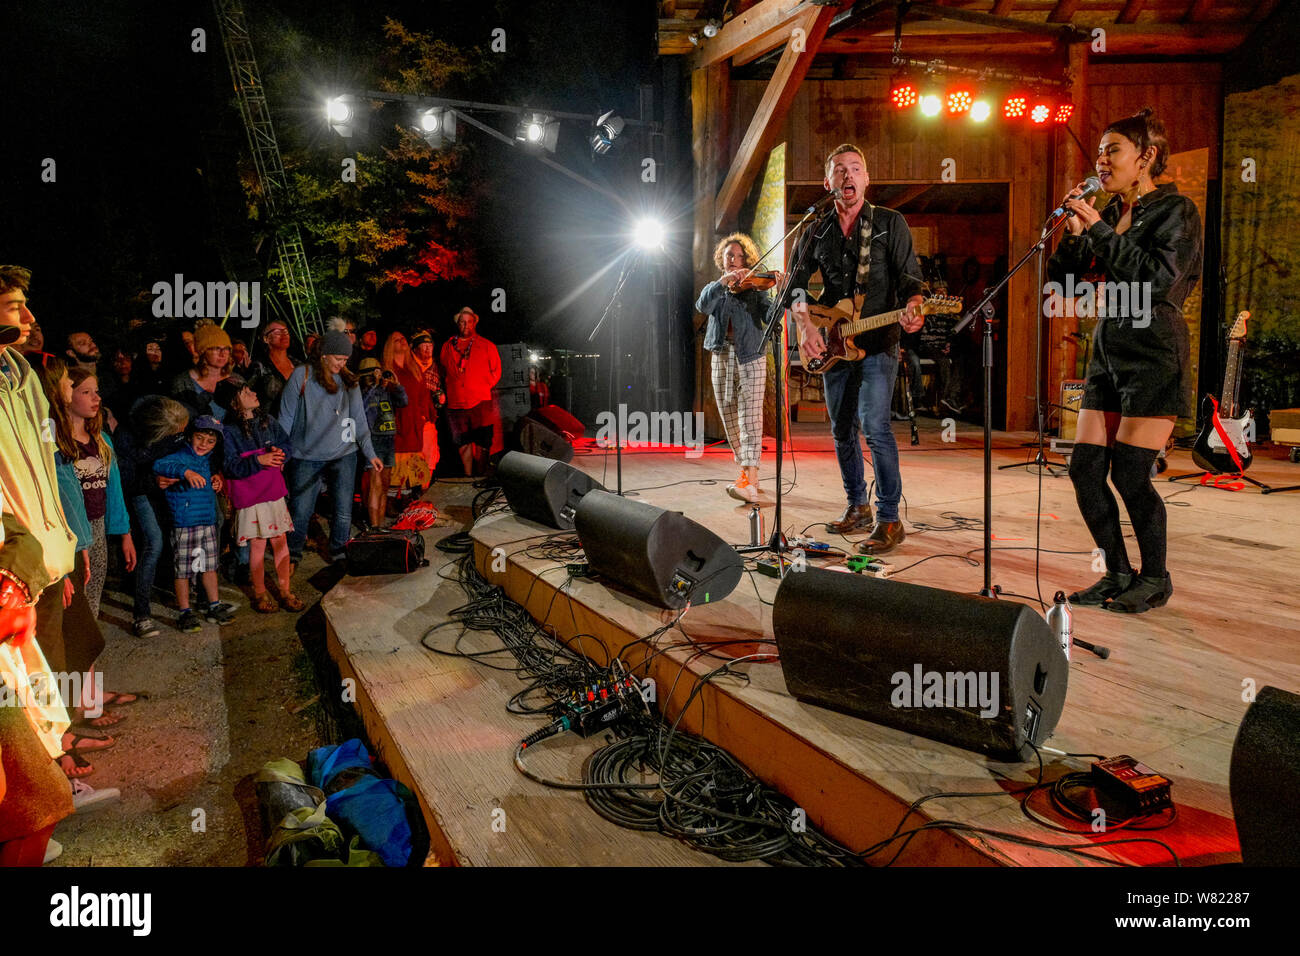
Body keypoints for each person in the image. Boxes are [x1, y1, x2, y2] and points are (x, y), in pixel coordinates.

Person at [1048, 109, 1202, 613]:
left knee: (1131, 472)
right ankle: (1116, 571)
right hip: (1109, 352)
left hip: (1154, 353)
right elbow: (1064, 286)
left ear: (1147, 156)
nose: (1101, 160)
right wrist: (1075, 232)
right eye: (1099, 152)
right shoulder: (1108, 214)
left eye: (1112, 150)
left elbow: (1159, 282)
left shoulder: (1176, 211)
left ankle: (1155, 577)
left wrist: (1099, 234)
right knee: (1085, 469)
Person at [788, 144, 927, 555]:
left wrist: (916, 308)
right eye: (840, 171)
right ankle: (857, 506)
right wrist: (805, 323)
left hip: (879, 342)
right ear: (827, 182)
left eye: (856, 169)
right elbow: (795, 284)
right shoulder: (817, 228)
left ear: (866, 179)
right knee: (841, 428)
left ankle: (889, 519)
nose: (848, 177)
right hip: (833, 343)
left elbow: (910, 281)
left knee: (876, 427)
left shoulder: (889, 223)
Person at [278, 330, 383, 565]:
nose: (342, 364)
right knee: (301, 509)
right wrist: (280, 455)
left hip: (344, 454)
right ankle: (292, 553)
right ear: (324, 355)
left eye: (346, 360)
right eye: (338, 358)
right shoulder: (301, 375)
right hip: (306, 455)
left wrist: (370, 453)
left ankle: (339, 551)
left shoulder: (348, 381)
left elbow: (358, 419)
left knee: (343, 508)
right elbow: (285, 417)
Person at [45, 365, 136, 619]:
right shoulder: (54, 439)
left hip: (95, 526)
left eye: (96, 391)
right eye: (86, 392)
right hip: (68, 528)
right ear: (65, 394)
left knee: (93, 593)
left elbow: (114, 491)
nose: (96, 398)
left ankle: (89, 657)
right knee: (70, 602)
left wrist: (124, 532)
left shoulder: (102, 440)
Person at [696, 232, 775, 504]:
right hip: (721, 355)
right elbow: (702, 305)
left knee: (750, 419)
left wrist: (780, 294)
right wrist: (722, 283)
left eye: (741, 256)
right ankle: (748, 476)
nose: (735, 260)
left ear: (749, 260)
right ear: (722, 258)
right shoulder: (715, 288)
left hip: (751, 355)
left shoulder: (755, 288)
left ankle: (748, 479)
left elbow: (770, 316)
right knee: (730, 420)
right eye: (730, 255)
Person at [215, 376, 303, 613]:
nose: (253, 393)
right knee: (257, 545)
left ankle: (285, 591)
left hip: (273, 492)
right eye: (245, 392)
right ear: (234, 403)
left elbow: (286, 444)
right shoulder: (229, 432)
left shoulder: (267, 421)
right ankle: (260, 594)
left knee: (280, 542)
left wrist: (280, 453)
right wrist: (258, 459)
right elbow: (231, 466)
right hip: (251, 498)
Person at [114, 396, 189, 638]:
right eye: (176, 433)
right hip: (143, 489)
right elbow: (126, 481)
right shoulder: (128, 438)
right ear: (158, 434)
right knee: (154, 543)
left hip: (173, 488)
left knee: (179, 538)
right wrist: (153, 482)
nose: (181, 434)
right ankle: (142, 613)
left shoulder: (177, 422)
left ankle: (185, 598)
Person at [153, 416, 235, 631]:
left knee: (209, 566)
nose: (203, 445)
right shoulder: (180, 457)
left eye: (210, 442)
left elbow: (211, 478)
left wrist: (217, 480)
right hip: (184, 523)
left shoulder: (208, 461)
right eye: (199, 438)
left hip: (206, 521)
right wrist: (185, 472)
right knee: (183, 570)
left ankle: (214, 605)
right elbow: (160, 464)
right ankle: (185, 611)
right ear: (190, 436)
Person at [439, 308, 501, 477]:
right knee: (462, 442)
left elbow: (496, 371)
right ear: (457, 323)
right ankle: (467, 476)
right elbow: (443, 369)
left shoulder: (487, 345)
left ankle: (481, 475)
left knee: (483, 442)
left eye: (469, 321)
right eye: (462, 321)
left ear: (475, 323)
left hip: (481, 401)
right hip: (456, 402)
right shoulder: (447, 346)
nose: (466, 325)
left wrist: (481, 386)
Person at [383, 331, 436, 492]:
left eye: (403, 339)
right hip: (396, 421)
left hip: (413, 421)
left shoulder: (413, 368)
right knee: (397, 461)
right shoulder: (387, 370)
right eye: (397, 340)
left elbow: (423, 394)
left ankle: (406, 495)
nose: (402, 342)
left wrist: (424, 414)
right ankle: (392, 497)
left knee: (412, 460)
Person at [358, 357, 408, 528]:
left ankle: (380, 524)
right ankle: (374, 526)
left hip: (388, 440)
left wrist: (397, 384)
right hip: (373, 439)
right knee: (376, 484)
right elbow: (362, 408)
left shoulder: (386, 390)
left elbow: (403, 402)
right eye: (375, 373)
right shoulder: (363, 391)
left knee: (385, 485)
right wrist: (375, 385)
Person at [171, 322, 232, 420]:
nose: (222, 353)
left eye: (226, 348)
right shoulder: (181, 382)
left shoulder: (235, 379)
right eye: (215, 348)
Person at [248, 319, 300, 417]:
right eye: (277, 332)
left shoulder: (298, 365)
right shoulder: (259, 367)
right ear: (266, 339)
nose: (284, 335)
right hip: (269, 425)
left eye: (285, 331)